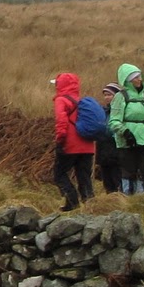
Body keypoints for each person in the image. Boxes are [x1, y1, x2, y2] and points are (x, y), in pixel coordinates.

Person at [109, 64, 144, 195]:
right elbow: (114, 121)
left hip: (143, 139)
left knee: (142, 170)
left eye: (139, 76)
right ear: (127, 80)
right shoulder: (120, 97)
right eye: (135, 77)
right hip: (127, 142)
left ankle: (141, 197)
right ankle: (128, 196)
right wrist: (125, 132)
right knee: (128, 170)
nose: (139, 79)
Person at [51, 73, 96, 211]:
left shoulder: (61, 100)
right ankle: (91, 206)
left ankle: (72, 201)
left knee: (59, 173)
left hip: (71, 144)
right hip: (88, 145)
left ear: (61, 85)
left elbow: (61, 121)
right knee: (84, 176)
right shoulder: (81, 101)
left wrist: (60, 141)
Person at [94, 82, 123, 194]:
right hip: (103, 149)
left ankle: (121, 201)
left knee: (117, 177)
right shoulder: (103, 112)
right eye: (105, 95)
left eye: (109, 94)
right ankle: (110, 202)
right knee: (107, 179)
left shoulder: (122, 110)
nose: (107, 97)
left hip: (117, 148)